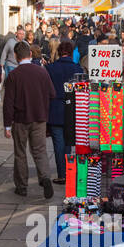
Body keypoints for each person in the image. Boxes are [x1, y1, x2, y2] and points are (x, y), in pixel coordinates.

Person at [1, 41, 56, 199]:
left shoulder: (14, 75)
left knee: (20, 153)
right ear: (30, 54)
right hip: (39, 118)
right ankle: (45, 177)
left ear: (16, 56)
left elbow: (8, 103)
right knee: (40, 151)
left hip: (20, 120)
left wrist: (7, 125)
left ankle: (22, 187)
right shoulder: (42, 72)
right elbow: (52, 94)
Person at [46, 40, 85, 185]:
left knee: (58, 143)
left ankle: (62, 174)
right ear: (71, 52)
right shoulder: (78, 69)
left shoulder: (50, 68)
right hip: (72, 109)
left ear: (60, 52)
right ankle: (69, 173)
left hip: (55, 108)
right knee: (68, 143)